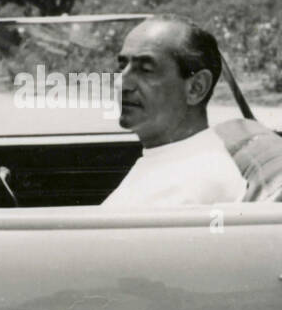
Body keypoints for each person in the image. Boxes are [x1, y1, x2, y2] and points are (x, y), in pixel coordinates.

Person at [102, 15, 248, 207]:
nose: (121, 84)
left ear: (196, 88)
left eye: (145, 70)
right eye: (122, 67)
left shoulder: (192, 183)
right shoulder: (173, 157)